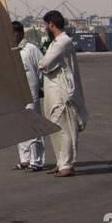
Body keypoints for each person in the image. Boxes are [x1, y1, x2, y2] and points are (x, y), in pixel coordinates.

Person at [37, 10, 89, 177]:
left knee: (65, 128)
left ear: (52, 24)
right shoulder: (56, 42)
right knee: (55, 128)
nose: (45, 27)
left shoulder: (62, 42)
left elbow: (44, 63)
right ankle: (61, 163)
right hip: (53, 92)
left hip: (62, 93)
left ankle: (66, 164)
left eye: (46, 24)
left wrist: (42, 64)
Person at [12, 21, 45, 171]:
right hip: (16, 94)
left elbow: (42, 67)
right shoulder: (10, 50)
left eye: (13, 33)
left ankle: (36, 161)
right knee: (20, 126)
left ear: (19, 33)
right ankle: (24, 160)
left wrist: (41, 87)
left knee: (33, 126)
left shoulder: (31, 49)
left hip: (31, 94)